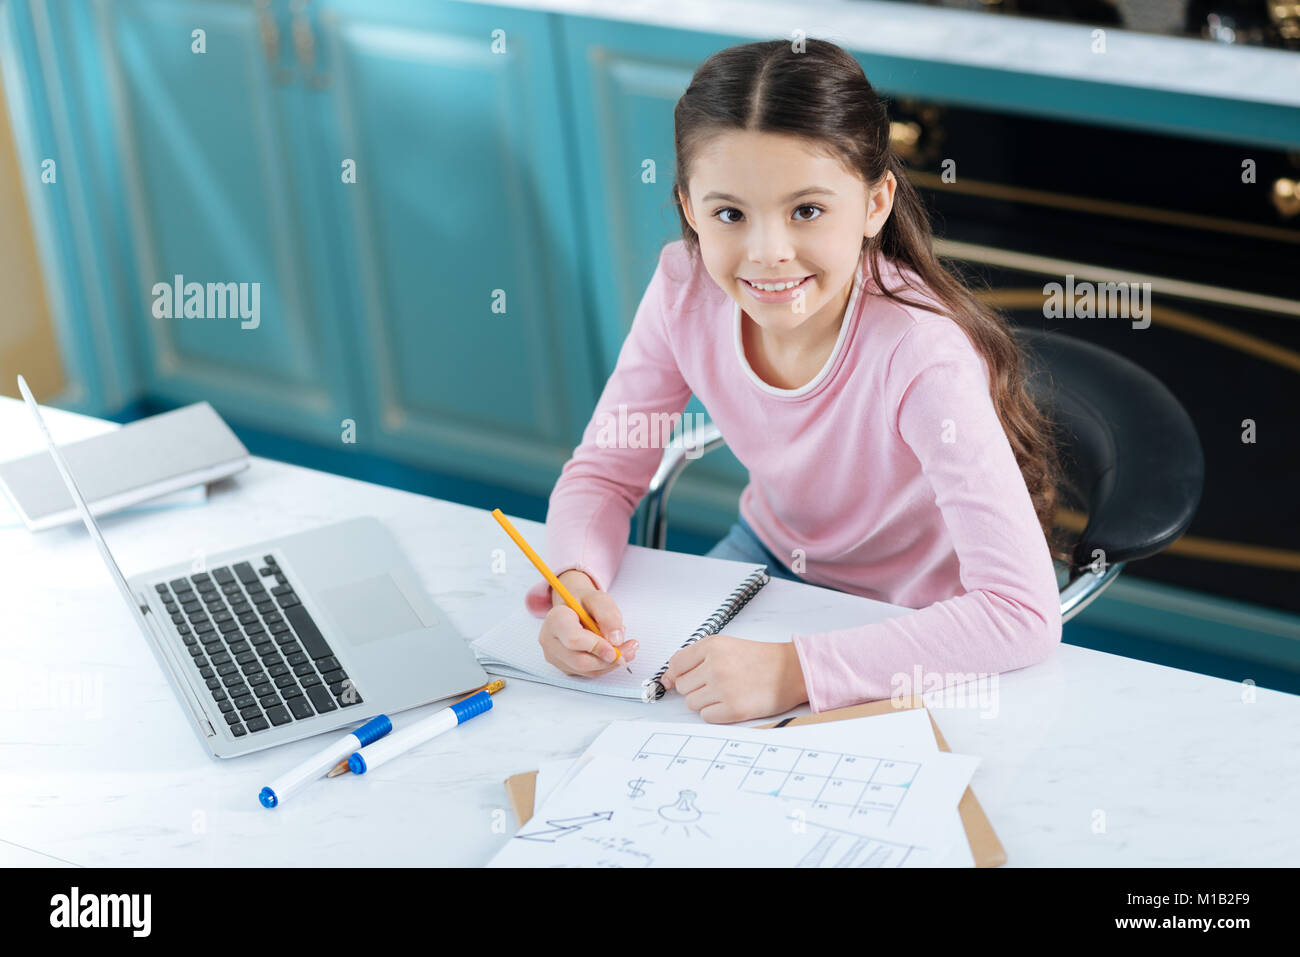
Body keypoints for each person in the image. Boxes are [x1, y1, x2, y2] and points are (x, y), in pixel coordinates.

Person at [524, 38, 1065, 723]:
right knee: (638, 722)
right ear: (690, 208)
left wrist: (795, 670)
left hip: (914, 613)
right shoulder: (682, 289)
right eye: (730, 214)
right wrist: (574, 579)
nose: (768, 253)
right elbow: (604, 471)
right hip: (769, 556)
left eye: (806, 210)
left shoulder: (923, 356)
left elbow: (1021, 613)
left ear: (875, 205)